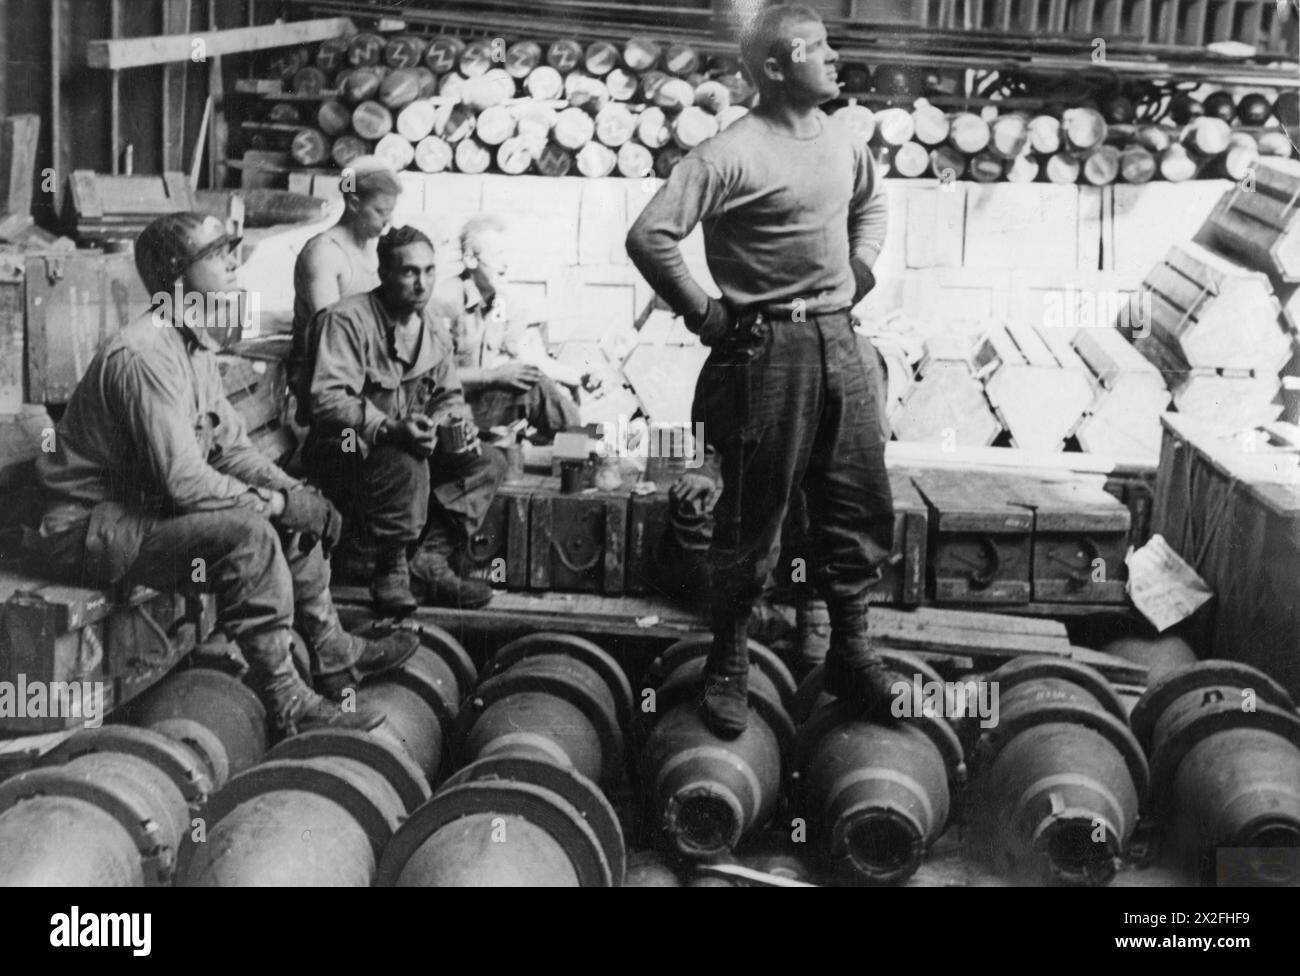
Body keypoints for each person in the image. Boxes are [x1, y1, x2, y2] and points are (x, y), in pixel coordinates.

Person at [29, 212, 419, 739]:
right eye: (217, 254)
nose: (234, 261)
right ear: (175, 274)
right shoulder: (144, 355)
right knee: (251, 532)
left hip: (141, 515)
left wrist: (290, 492)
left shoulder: (191, 344)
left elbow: (230, 448)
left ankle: (331, 650)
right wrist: (276, 507)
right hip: (91, 530)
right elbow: (186, 483)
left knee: (287, 497)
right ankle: (286, 701)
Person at [626, 4, 896, 738]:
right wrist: (704, 315)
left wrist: (858, 277)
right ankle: (728, 658)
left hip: (841, 344)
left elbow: (872, 208)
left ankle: (852, 649)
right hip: (762, 354)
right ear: (775, 67)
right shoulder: (729, 154)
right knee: (749, 518)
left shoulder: (843, 139)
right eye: (820, 48)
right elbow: (650, 235)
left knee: (857, 502)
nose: (837, 58)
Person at [302, 225, 506, 616]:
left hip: (403, 446)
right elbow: (326, 400)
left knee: (487, 462)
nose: (422, 283)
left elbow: (448, 394)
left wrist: (449, 423)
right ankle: (390, 570)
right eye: (409, 272)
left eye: (429, 271)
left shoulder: (431, 327)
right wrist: (391, 428)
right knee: (403, 456)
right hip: (341, 448)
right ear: (384, 274)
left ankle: (430, 559)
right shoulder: (346, 320)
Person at [433, 214, 602, 444]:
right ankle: (586, 449)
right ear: (471, 259)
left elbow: (528, 357)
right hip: (441, 412)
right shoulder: (445, 301)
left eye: (508, 254)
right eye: (498, 255)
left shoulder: (500, 302)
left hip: (476, 405)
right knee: (538, 390)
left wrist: (577, 378)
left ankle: (582, 450)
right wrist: (492, 377)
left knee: (545, 387)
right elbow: (432, 378)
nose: (506, 264)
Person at [288, 158, 401, 409]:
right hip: (326, 379)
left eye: (390, 212)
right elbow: (331, 339)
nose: (388, 221)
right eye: (380, 212)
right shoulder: (324, 253)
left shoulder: (375, 247)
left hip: (369, 367)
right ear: (354, 203)